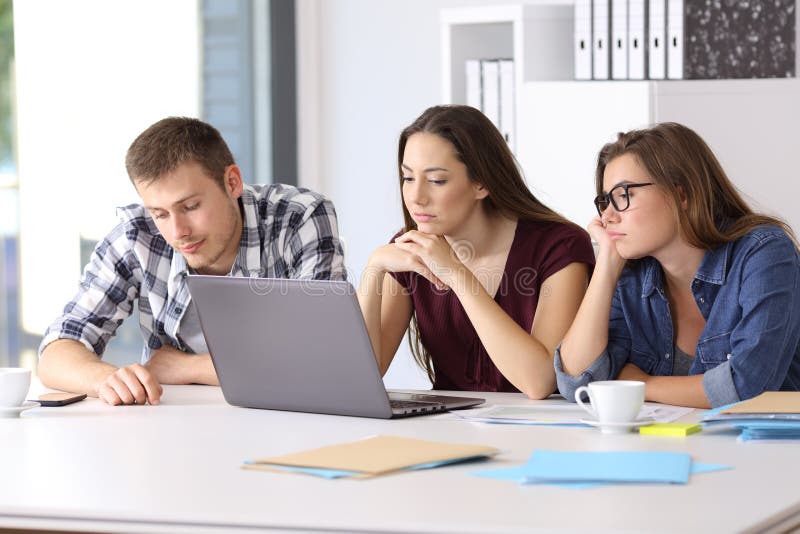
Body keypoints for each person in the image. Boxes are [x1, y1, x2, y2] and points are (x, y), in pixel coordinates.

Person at [39, 117, 346, 406]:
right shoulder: (136, 235)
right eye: (160, 214)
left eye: (190, 206)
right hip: (175, 421)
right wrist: (106, 379)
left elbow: (323, 359)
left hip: (285, 421)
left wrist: (187, 367)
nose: (178, 232)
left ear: (232, 182)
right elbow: (56, 352)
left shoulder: (299, 217)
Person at [556, 122, 800, 408]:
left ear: (681, 194)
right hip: (670, 436)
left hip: (764, 437)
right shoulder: (631, 275)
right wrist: (607, 265)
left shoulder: (764, 253)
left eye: (623, 195)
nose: (607, 216)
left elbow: (748, 387)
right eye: (605, 201)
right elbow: (577, 383)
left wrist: (642, 385)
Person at [357, 105, 594, 398]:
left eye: (436, 180)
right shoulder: (410, 250)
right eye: (408, 178)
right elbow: (361, 378)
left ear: (481, 183)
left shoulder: (560, 247)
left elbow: (539, 381)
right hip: (447, 424)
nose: (416, 197)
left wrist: (455, 273)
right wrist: (374, 269)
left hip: (539, 423)